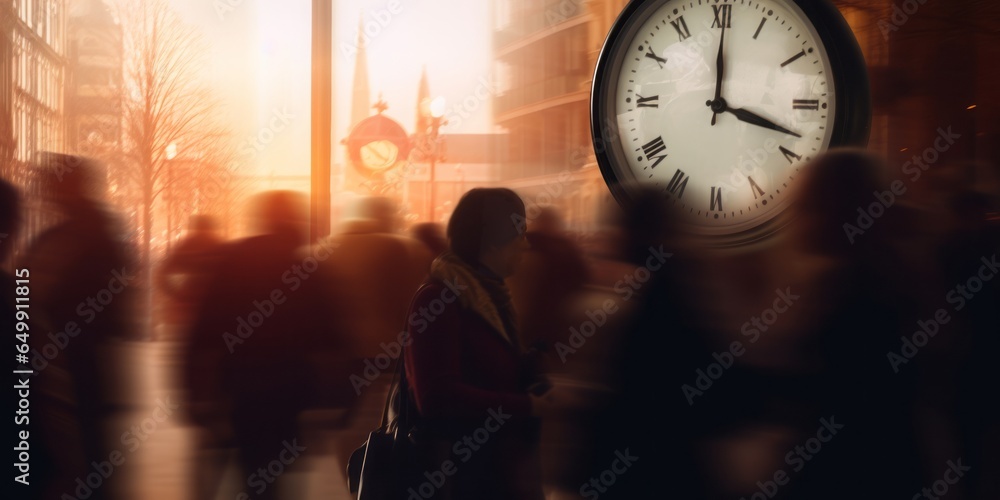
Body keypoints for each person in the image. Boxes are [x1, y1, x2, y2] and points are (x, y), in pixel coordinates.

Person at [183, 191, 341, 500]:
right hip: (288, 391)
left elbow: (203, 329)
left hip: (238, 387)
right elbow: (328, 338)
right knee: (273, 475)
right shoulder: (305, 269)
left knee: (245, 468)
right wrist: (330, 401)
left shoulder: (232, 259)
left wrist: (195, 391)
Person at [403, 188, 546, 500]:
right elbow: (437, 397)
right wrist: (526, 405)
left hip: (490, 471)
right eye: (519, 235)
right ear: (493, 242)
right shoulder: (439, 299)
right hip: (459, 476)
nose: (526, 244)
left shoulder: (489, 296)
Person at [155, 214, 223, 338]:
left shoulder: (187, 245)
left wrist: (176, 294)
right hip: (214, 310)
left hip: (189, 310)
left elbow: (162, 274)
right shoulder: (220, 246)